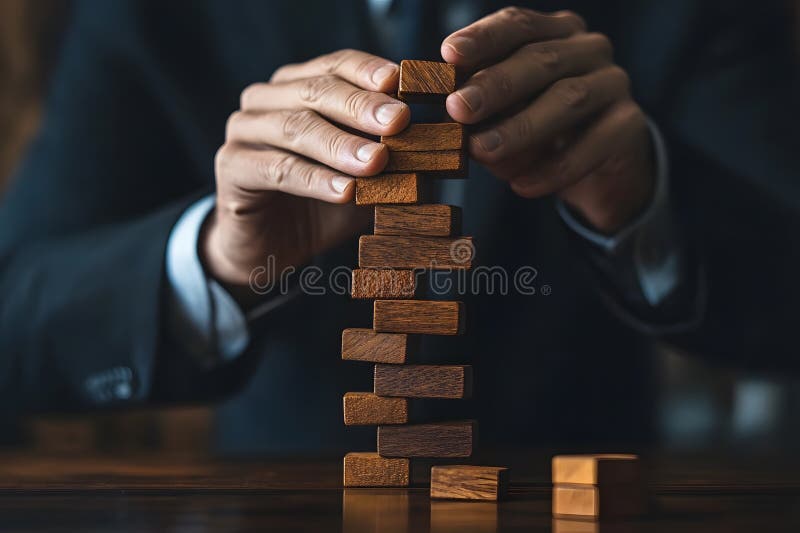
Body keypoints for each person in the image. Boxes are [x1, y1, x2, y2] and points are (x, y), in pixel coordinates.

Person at [0, 0, 797, 454]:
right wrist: (218, 258)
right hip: (280, 495)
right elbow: (14, 317)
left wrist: (648, 201)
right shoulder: (148, 11)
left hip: (588, 484)